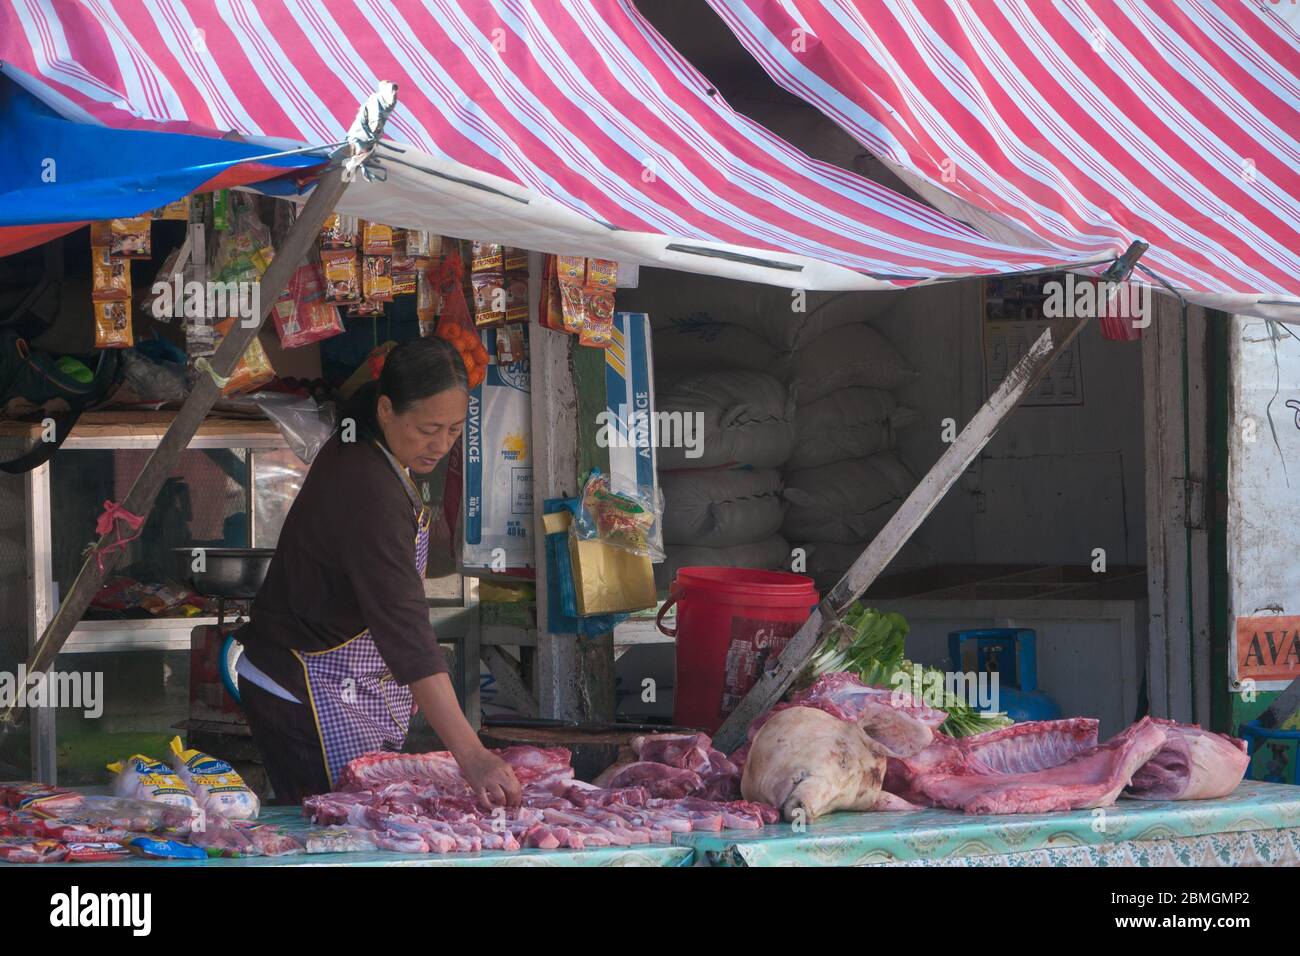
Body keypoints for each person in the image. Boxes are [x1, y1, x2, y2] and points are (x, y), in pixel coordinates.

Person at [236, 337, 522, 806]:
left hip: (335, 678)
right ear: (387, 409)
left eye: (454, 430)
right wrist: (471, 754)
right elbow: (405, 630)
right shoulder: (369, 489)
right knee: (338, 838)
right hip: (305, 687)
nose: (441, 445)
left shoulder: (373, 435)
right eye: (428, 429)